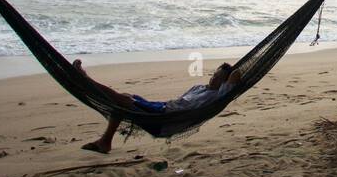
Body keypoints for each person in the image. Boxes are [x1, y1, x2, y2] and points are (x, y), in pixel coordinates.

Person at [74, 60, 242, 153]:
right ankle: (105, 142)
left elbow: (236, 74)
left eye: (219, 78)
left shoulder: (218, 96)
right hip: (162, 109)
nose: (213, 79)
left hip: (165, 121)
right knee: (125, 97)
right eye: (214, 75)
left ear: (224, 83)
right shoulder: (199, 87)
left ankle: (86, 80)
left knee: (122, 101)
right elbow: (179, 101)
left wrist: (228, 76)